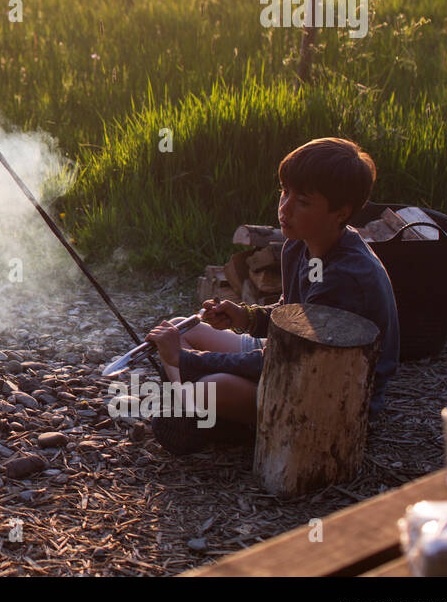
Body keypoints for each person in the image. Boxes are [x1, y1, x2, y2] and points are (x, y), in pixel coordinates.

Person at [146, 136, 400, 455]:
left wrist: (185, 360)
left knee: (210, 386)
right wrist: (245, 317)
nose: (285, 208)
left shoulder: (346, 278)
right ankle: (207, 408)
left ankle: (208, 408)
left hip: (331, 396)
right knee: (185, 327)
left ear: (341, 212)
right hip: (293, 358)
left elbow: (286, 360)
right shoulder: (299, 245)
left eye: (302, 202)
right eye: (284, 192)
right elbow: (289, 316)